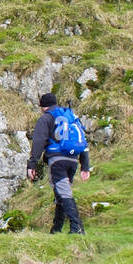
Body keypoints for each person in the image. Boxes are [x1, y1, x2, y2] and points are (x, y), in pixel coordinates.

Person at [27, 92, 90, 234]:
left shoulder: (46, 118)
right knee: (60, 193)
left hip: (57, 160)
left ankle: (77, 227)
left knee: (64, 192)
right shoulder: (71, 117)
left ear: (43, 107)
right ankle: (56, 229)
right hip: (73, 160)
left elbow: (38, 142)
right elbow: (83, 141)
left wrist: (32, 164)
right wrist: (85, 166)